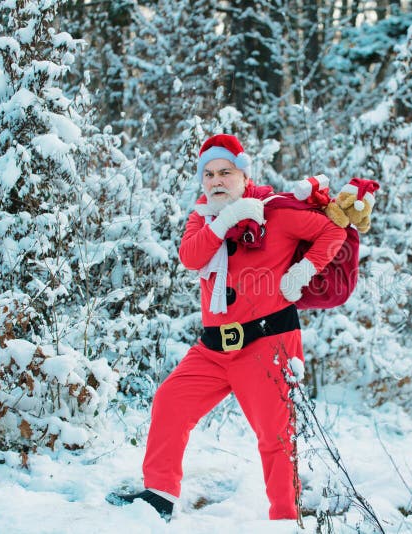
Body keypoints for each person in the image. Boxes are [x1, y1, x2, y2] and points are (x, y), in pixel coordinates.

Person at [108, 134, 347, 520]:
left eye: (225, 172)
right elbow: (190, 256)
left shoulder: (276, 212)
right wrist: (225, 222)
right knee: (170, 401)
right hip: (214, 349)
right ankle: (159, 496)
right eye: (209, 174)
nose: (216, 181)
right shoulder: (202, 218)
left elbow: (332, 231)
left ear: (243, 174)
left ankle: (285, 519)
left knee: (275, 437)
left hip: (268, 343)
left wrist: (304, 270)